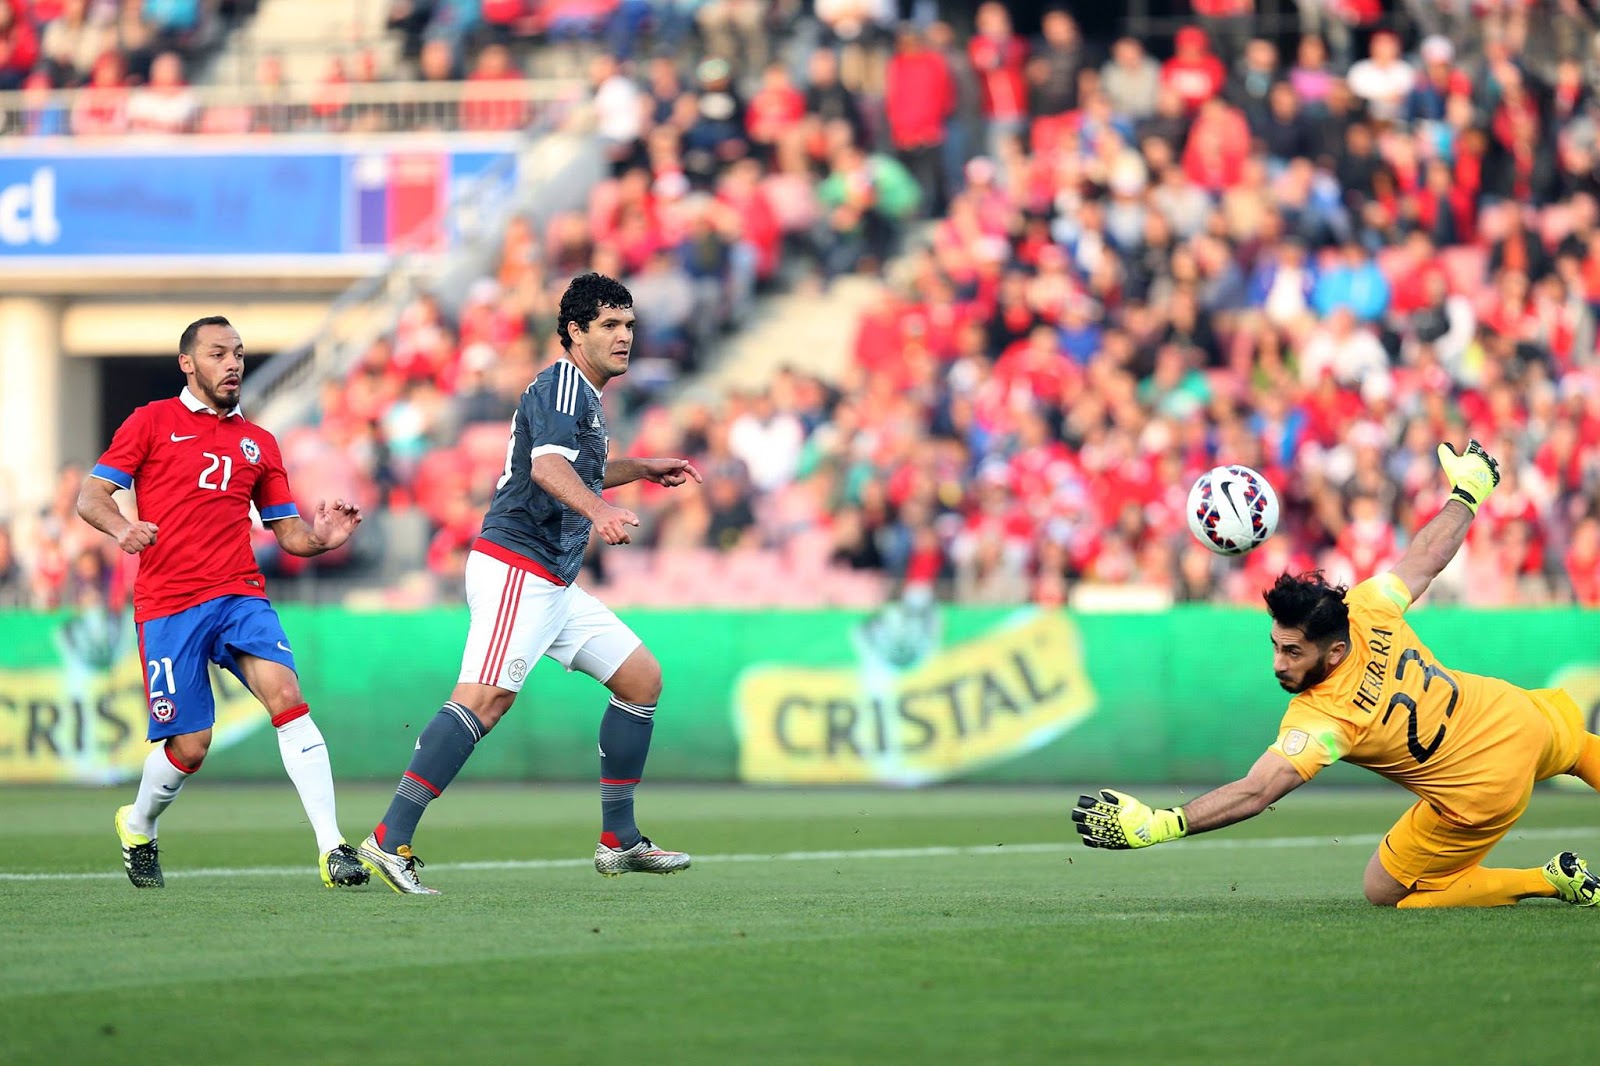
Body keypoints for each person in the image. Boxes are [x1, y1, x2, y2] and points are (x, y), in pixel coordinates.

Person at [1072, 440, 1600, 909]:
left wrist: (1165, 823)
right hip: (1515, 712)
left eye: (1293, 653)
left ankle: (1547, 880)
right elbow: (1426, 559)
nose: (1278, 663)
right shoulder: (1367, 607)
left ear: (1333, 652)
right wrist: (1469, 493)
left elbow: (1258, 791)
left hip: (1483, 789)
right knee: (1579, 749)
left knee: (1387, 892)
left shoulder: (1325, 718)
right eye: (1276, 646)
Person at [358, 273, 703, 894]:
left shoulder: (586, 396)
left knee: (640, 678)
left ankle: (618, 838)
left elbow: (578, 468)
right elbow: (547, 468)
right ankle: (389, 839)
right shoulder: (562, 385)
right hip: (518, 565)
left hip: (553, 577)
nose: (625, 337)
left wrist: (640, 469)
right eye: (610, 326)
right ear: (575, 332)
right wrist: (600, 511)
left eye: (628, 325)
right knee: (484, 699)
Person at [78, 316, 370, 890]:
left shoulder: (259, 441)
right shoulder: (151, 421)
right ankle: (138, 824)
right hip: (168, 604)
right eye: (218, 353)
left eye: (238, 353)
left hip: (239, 594)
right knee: (190, 745)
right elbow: (91, 497)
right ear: (188, 363)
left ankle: (333, 849)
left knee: (287, 696)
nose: (233, 363)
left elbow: (287, 533)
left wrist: (320, 540)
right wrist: (120, 529)